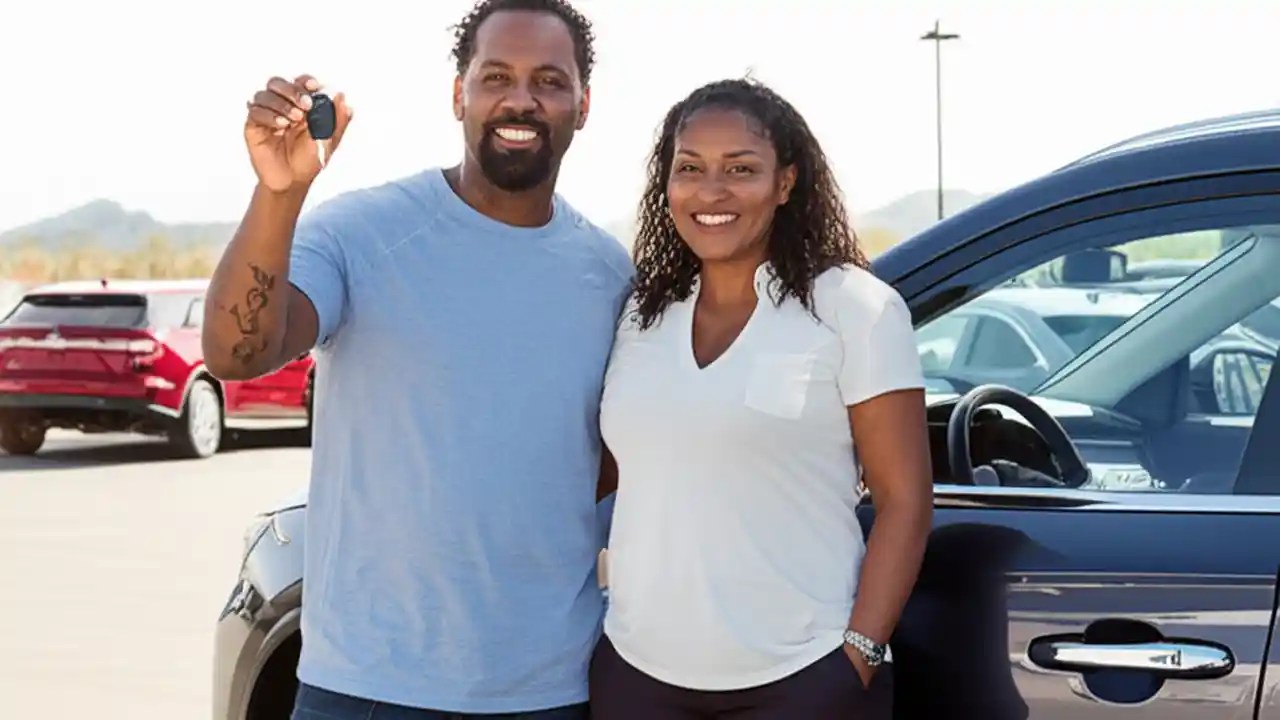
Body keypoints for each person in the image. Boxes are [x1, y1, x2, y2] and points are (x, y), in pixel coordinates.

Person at [200, 1, 632, 718]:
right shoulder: (363, 233)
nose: (520, 99)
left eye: (548, 81)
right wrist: (281, 194)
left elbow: (608, 467)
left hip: (549, 692)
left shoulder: (608, 275)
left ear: (582, 105)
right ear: (458, 94)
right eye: (496, 76)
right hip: (365, 689)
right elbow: (236, 352)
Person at [588, 77, 934, 719]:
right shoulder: (640, 316)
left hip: (803, 681)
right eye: (690, 168)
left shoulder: (854, 308)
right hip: (637, 680)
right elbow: (608, 476)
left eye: (740, 169)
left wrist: (855, 656)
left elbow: (905, 502)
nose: (711, 191)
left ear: (785, 183)